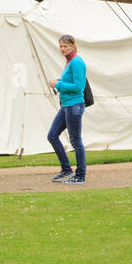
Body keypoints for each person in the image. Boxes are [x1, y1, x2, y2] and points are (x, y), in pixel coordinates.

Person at [47, 34, 88, 184]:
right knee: (52, 135)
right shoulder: (69, 62)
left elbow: (78, 87)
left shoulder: (77, 62)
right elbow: (70, 81)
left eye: (65, 46)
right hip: (66, 106)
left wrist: (57, 84)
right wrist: (59, 81)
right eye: (61, 46)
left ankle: (80, 175)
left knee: (76, 141)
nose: (62, 49)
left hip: (74, 106)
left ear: (73, 46)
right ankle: (66, 169)